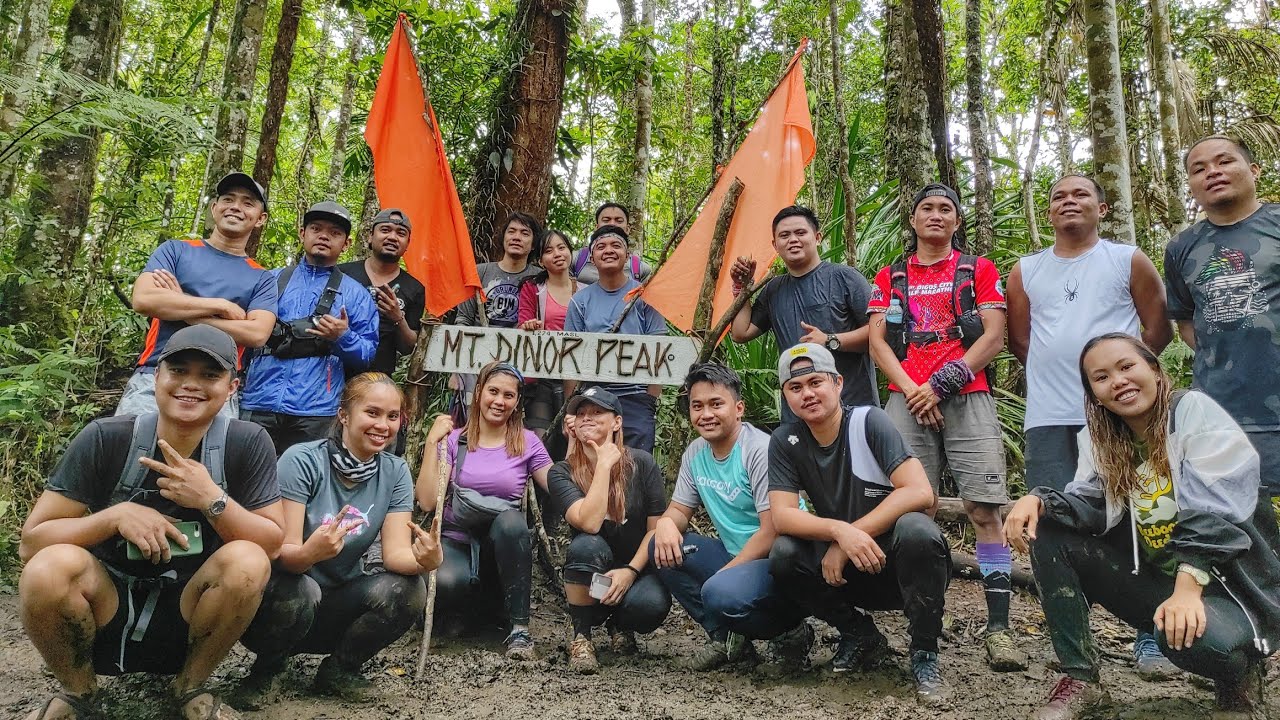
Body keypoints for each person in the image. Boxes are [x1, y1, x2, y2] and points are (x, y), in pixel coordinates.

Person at [1005, 333, 1280, 720]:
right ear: (1094, 395)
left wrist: (1187, 590)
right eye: (1101, 378)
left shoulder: (1192, 412)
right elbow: (1091, 505)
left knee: (1190, 643)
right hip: (1161, 584)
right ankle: (1081, 679)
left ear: (1153, 367)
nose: (1117, 381)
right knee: (1050, 530)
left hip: (1228, 589)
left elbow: (1216, 511)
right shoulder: (1104, 439)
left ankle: (1239, 682)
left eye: (1126, 366)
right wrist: (1038, 499)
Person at [19, 325, 284, 720]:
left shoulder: (247, 443)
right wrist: (114, 516)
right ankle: (79, 692)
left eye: (210, 375)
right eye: (178, 371)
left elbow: (271, 544)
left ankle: (190, 686)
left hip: (192, 613)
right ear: (156, 376)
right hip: (106, 608)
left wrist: (212, 499)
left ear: (232, 387)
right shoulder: (106, 438)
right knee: (48, 569)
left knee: (248, 561)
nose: (190, 385)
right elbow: (31, 544)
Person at [1006, 173, 1176, 678]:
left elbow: (1156, 329)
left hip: (1117, 416)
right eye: (1059, 196)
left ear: (1102, 207)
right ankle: (1075, 647)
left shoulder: (1127, 259)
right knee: (1048, 522)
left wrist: (1117, 386)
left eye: (1080, 194)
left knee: (1140, 516)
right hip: (1048, 418)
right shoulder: (1026, 270)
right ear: (1050, 211)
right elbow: (1022, 341)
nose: (1069, 201)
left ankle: (1151, 635)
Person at [866, 183, 1022, 671]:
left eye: (945, 209)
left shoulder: (979, 270)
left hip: (968, 395)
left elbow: (994, 335)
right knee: (913, 509)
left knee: (983, 508)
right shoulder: (890, 275)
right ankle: (925, 621)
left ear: (957, 220)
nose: (935, 215)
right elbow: (877, 342)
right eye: (926, 208)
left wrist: (943, 384)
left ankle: (999, 628)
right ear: (912, 220)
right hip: (904, 396)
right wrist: (916, 389)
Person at [235, 373, 442, 706]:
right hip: (281, 603)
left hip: (338, 601)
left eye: (392, 416)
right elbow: (282, 553)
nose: (383, 425)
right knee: (300, 586)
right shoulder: (301, 460)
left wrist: (426, 560)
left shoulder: (394, 471)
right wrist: (310, 553)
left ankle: (340, 669)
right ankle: (267, 671)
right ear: (344, 415)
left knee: (409, 587)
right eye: (372, 413)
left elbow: (394, 556)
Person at [767, 343, 951, 705]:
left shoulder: (869, 422)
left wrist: (855, 533)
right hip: (844, 573)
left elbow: (919, 491)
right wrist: (839, 532)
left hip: (895, 567)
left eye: (815, 382)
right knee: (783, 554)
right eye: (795, 387)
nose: (807, 394)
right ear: (786, 396)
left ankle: (925, 653)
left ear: (838, 383)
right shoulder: (786, 441)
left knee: (918, 530)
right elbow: (782, 515)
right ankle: (859, 633)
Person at [646, 363, 809, 671]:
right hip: (737, 553)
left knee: (721, 591)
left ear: (738, 408)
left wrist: (725, 576)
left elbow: (772, 529)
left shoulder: (759, 450)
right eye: (697, 406)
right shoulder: (696, 453)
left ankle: (790, 633)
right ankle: (727, 640)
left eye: (716, 404)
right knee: (661, 548)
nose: (706, 414)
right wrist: (666, 524)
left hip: (783, 560)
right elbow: (679, 510)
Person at [1165, 135, 1280, 541]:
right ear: (1192, 185)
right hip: (1219, 411)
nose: (1212, 172)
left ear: (1253, 170)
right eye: (1199, 169)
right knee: (1236, 526)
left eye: (1224, 162)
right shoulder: (1182, 246)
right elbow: (1188, 324)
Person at [416, 362, 553, 660]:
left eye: (508, 395)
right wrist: (431, 442)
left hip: (500, 549)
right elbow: (427, 501)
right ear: (478, 393)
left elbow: (557, 487)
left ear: (517, 402)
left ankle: (518, 629)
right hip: (456, 540)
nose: (499, 401)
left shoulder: (528, 442)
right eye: (493, 391)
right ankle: (468, 614)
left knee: (511, 523)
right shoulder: (456, 440)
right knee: (449, 584)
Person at [119, 172, 278, 418]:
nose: (235, 207)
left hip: (219, 384)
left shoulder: (262, 278)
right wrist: (220, 306)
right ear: (214, 208)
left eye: (248, 203)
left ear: (260, 219)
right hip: (156, 374)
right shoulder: (175, 251)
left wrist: (185, 310)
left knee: (207, 458)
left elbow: (257, 334)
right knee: (131, 451)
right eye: (228, 199)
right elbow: (144, 299)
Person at [239, 201, 379, 456]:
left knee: (301, 487)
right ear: (302, 233)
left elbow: (368, 353)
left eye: (335, 233)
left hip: (316, 410)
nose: (324, 236)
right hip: (259, 401)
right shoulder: (269, 280)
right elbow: (243, 337)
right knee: (245, 483)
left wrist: (342, 337)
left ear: (346, 244)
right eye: (316, 228)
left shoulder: (357, 295)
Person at [548, 388, 671, 674]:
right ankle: (582, 637)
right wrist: (603, 464)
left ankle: (620, 624)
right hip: (591, 571)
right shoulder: (562, 472)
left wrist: (631, 571)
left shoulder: (642, 463)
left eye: (596, 413)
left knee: (652, 605)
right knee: (586, 544)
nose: (586, 418)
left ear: (616, 422)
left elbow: (655, 530)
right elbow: (588, 522)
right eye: (580, 414)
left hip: (633, 567)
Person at [731, 205, 878, 422]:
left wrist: (830, 340)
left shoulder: (845, 278)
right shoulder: (774, 289)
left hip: (853, 409)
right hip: (799, 416)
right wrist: (743, 289)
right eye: (784, 235)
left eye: (800, 233)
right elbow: (741, 332)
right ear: (775, 245)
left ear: (817, 237)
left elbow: (879, 333)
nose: (793, 240)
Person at [563, 225, 667, 453]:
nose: (608, 250)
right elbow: (570, 359)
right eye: (601, 247)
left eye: (616, 245)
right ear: (592, 257)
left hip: (636, 397)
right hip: (593, 398)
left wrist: (649, 401)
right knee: (590, 467)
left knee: (636, 467)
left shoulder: (645, 297)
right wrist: (571, 410)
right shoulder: (580, 302)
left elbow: (659, 352)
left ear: (627, 256)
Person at [518, 228, 579, 438]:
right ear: (541, 260)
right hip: (541, 374)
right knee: (539, 436)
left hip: (576, 374)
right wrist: (528, 326)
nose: (557, 254)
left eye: (562, 248)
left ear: (570, 252)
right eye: (549, 250)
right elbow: (522, 324)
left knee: (573, 434)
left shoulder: (586, 290)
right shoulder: (533, 288)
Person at [457, 212, 543, 328]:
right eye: (511, 231)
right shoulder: (478, 272)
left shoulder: (539, 277)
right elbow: (463, 319)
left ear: (533, 244)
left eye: (525, 233)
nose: (516, 237)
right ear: (503, 238)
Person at [571, 202, 652, 286]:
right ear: (597, 228)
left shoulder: (641, 270)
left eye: (619, 221)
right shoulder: (575, 259)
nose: (612, 224)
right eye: (606, 220)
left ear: (628, 229)